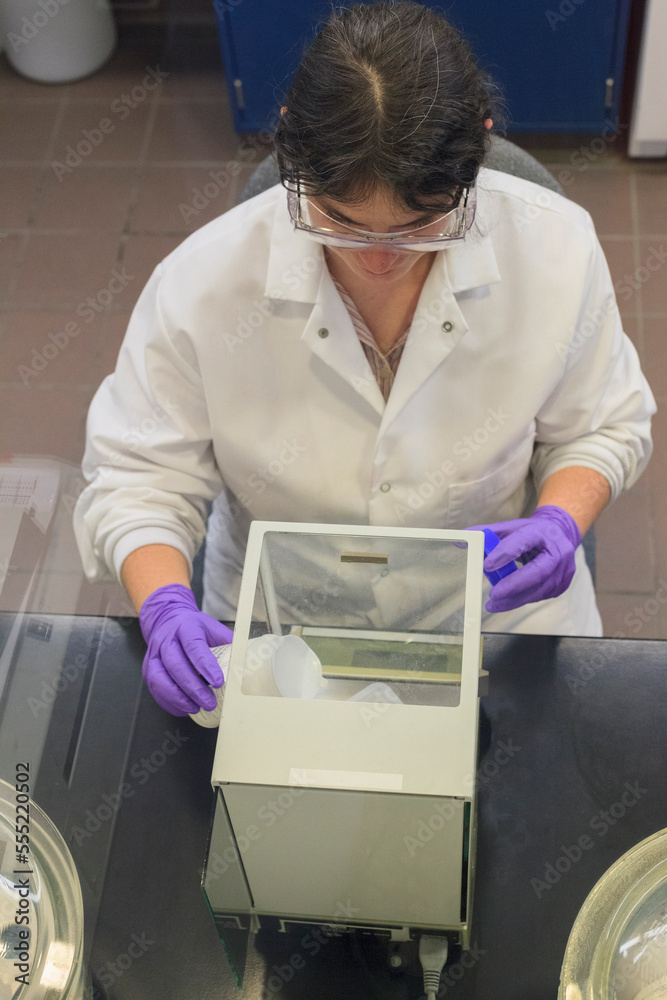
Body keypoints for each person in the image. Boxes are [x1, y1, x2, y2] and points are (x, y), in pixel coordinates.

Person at [73, 1, 655, 717]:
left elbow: (605, 424)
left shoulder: (555, 253)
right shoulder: (204, 282)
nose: (379, 261)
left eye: (420, 227)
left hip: (495, 621)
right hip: (275, 635)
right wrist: (163, 605)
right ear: (291, 145)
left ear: (478, 149)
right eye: (341, 224)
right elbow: (139, 477)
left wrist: (560, 521)